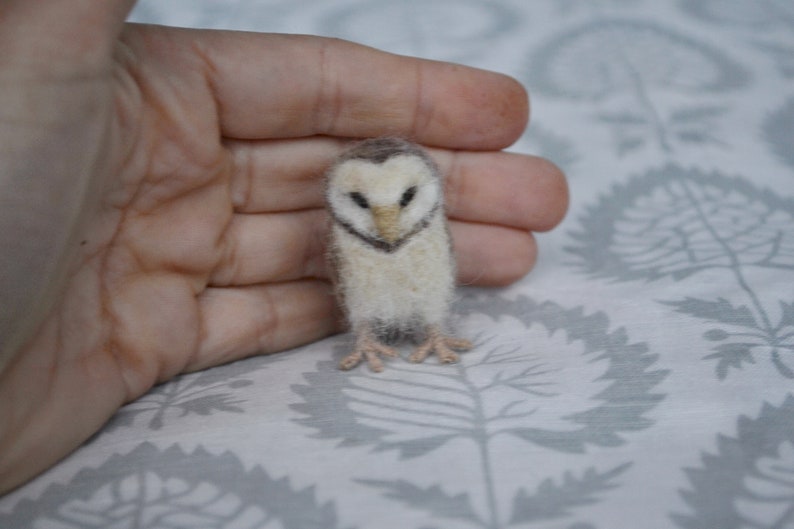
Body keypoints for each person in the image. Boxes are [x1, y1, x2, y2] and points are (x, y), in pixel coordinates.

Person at [0, 0, 568, 493]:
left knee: (427, 279)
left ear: (429, 191)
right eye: (366, 204)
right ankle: (369, 337)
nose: (388, 219)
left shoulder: (433, 226)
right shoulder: (346, 236)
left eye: (405, 199)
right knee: (364, 284)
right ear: (340, 197)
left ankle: (434, 330)